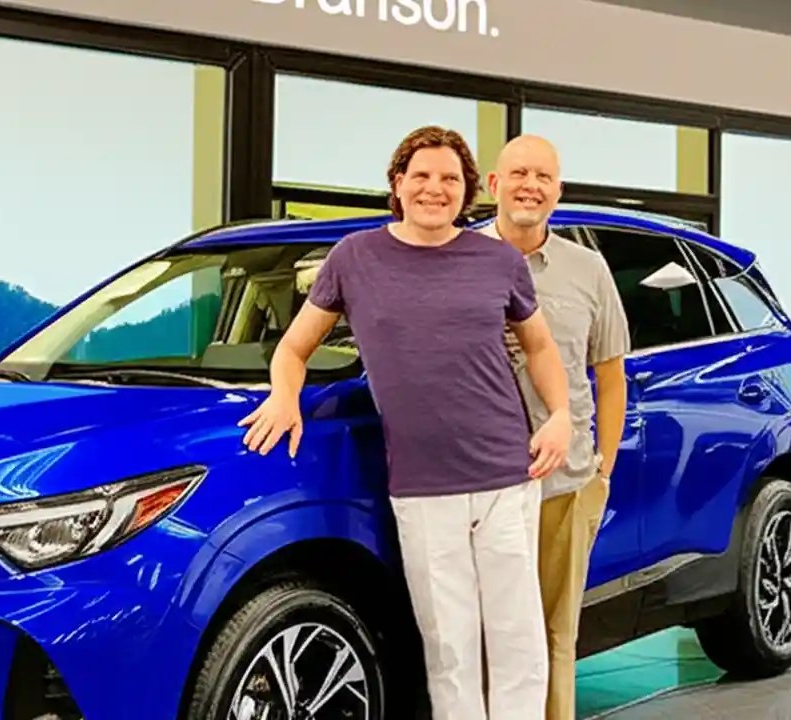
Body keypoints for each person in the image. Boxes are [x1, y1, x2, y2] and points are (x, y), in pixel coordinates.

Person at [238, 125, 573, 720]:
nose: (434, 189)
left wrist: (561, 417)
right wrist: (284, 398)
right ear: (397, 184)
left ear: (468, 191)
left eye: (449, 179)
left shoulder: (499, 261)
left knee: (516, 637)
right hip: (421, 487)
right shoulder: (355, 258)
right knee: (449, 645)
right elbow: (292, 349)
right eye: (421, 176)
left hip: (506, 473)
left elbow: (541, 348)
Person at [479, 134, 631, 720]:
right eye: (518, 173)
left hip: (565, 488)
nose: (530, 186)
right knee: (483, 636)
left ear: (558, 191)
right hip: (476, 485)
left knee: (553, 636)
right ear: (494, 184)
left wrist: (602, 474)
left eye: (543, 176)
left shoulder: (587, 270)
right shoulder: (455, 258)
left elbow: (610, 376)